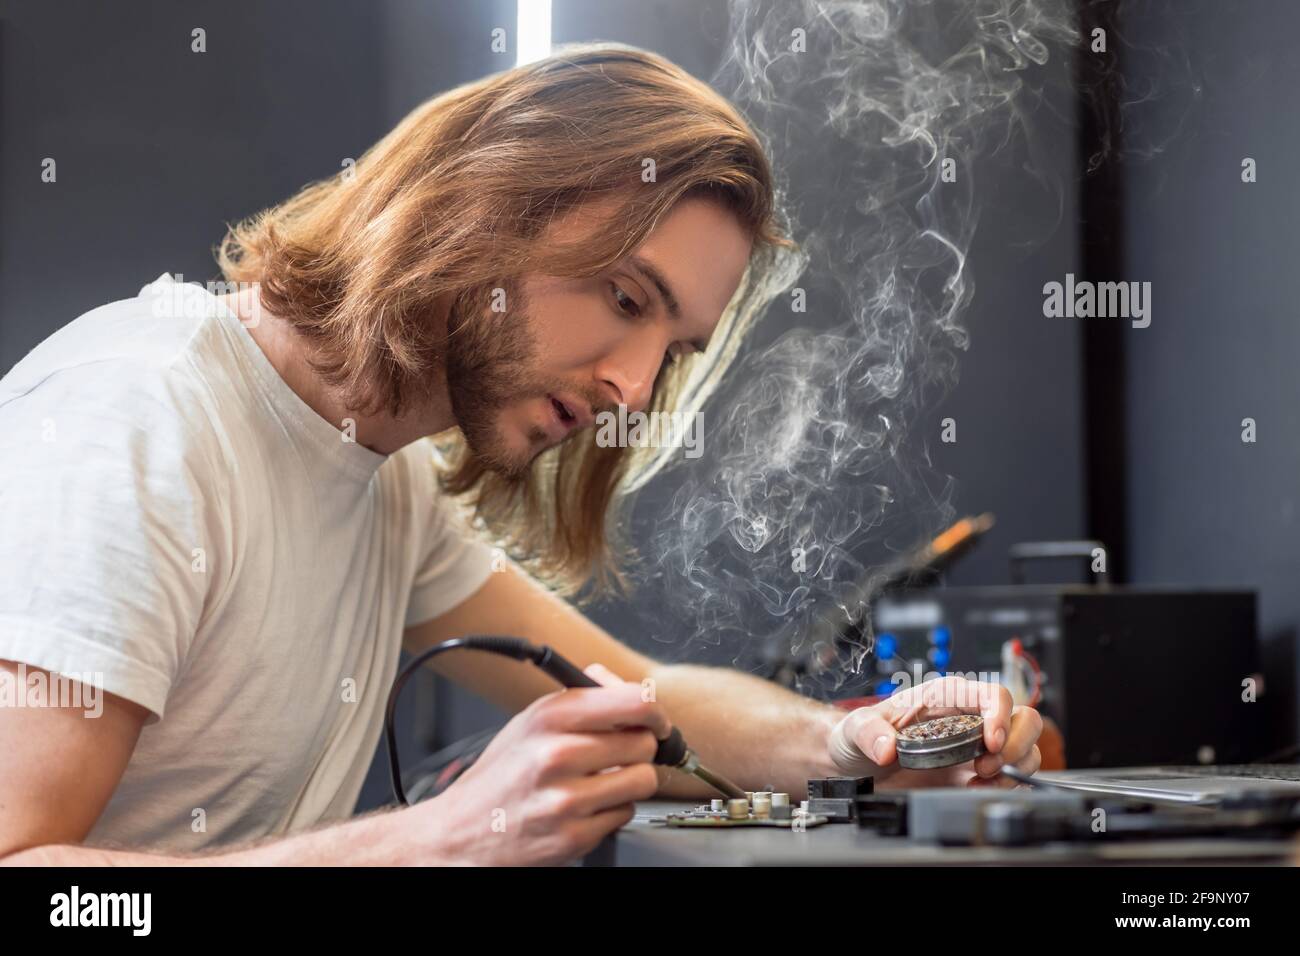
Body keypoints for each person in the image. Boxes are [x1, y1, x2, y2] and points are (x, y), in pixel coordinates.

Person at [0, 44, 1041, 866]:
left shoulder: (382, 469)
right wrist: (431, 842)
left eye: (668, 348)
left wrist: (852, 744)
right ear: (481, 201)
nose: (633, 388)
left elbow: (644, 697)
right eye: (625, 298)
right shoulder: (136, 420)